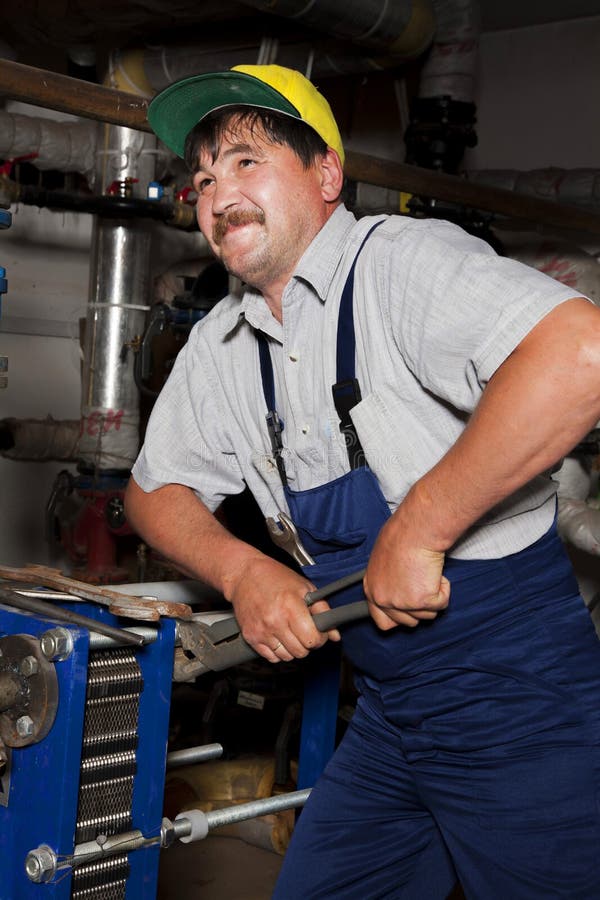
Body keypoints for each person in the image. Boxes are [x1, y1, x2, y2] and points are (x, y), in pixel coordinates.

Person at [125, 64, 600, 898]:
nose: (218, 194)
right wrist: (244, 573)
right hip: (391, 708)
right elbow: (152, 492)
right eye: (202, 181)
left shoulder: (400, 263)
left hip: (520, 699)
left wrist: (420, 528)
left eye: (245, 162)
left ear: (326, 175)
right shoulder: (221, 343)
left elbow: (581, 355)